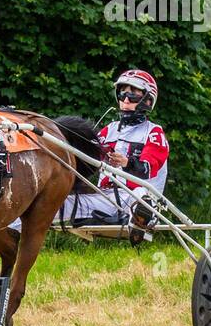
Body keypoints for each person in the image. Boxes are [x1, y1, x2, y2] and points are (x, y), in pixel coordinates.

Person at [57, 68, 169, 226]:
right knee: (56, 203)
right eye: (122, 94)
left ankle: (140, 219)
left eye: (133, 94)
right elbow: (89, 159)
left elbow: (147, 170)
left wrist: (125, 162)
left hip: (137, 197)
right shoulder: (109, 130)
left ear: (148, 100)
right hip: (106, 198)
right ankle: (11, 227)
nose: (126, 100)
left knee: (141, 194)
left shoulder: (153, 132)